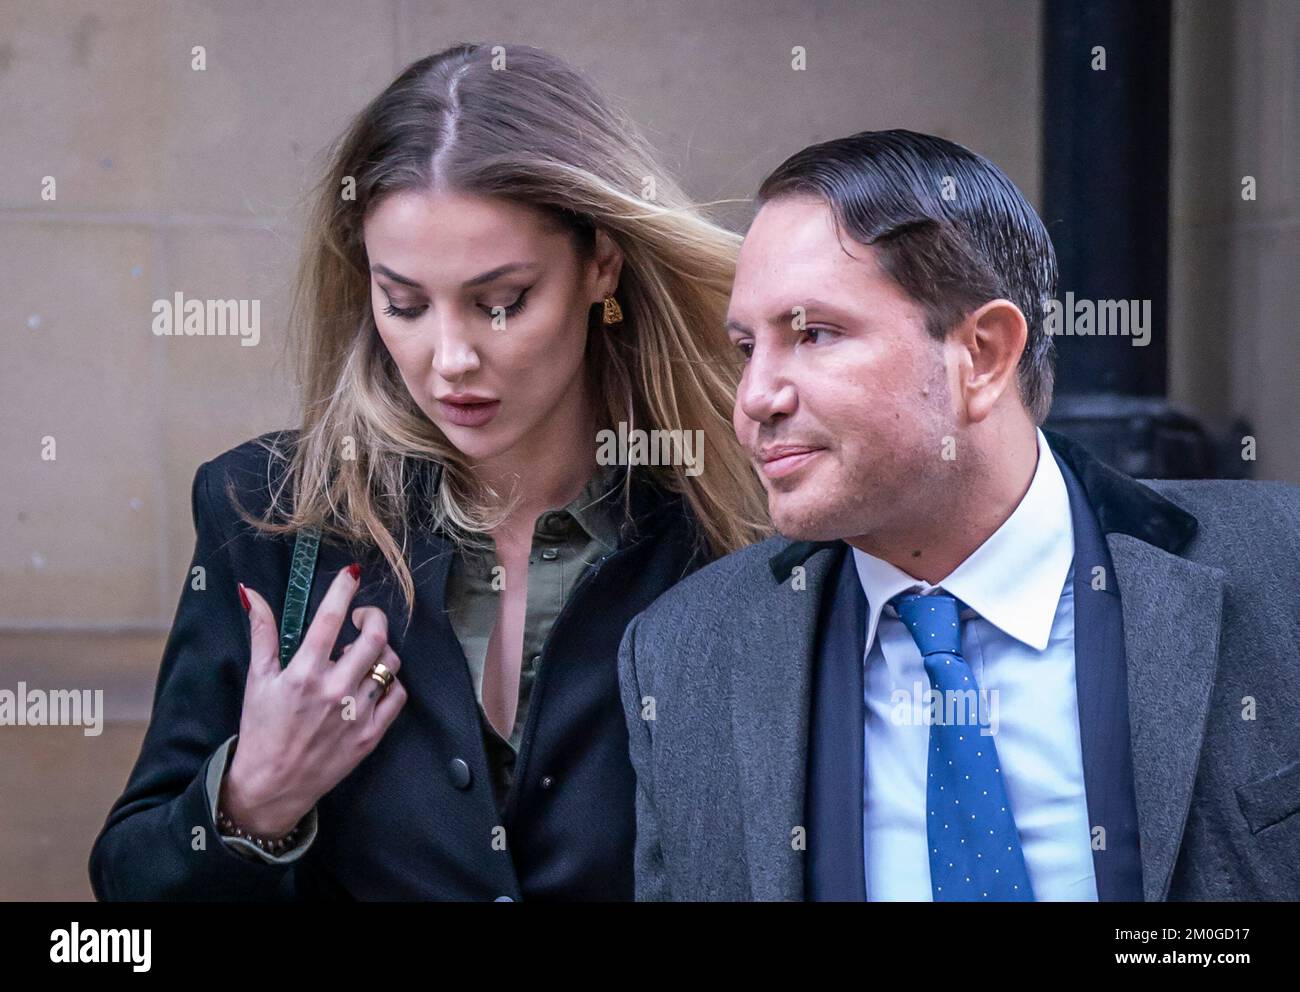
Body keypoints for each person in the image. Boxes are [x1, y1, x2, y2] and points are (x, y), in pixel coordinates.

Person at [88, 43, 768, 901]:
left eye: (500, 302)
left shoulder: (741, 530)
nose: (449, 359)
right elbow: (128, 892)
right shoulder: (268, 514)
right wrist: (252, 797)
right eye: (403, 303)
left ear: (601, 262)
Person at [618, 128, 1300, 901]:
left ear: (982, 353)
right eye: (748, 347)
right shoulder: (682, 658)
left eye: (813, 334)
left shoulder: (1283, 568)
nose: (754, 400)